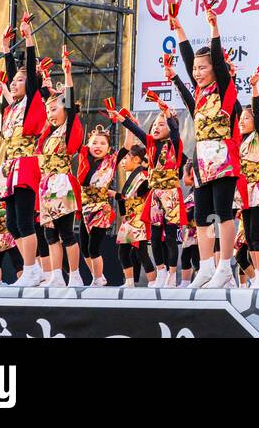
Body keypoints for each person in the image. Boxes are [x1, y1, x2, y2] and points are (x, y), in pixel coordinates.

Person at [170, 5, 241, 289]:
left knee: (222, 212)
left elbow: (220, 64)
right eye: (196, 69)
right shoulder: (199, 93)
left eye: (203, 68)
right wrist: (178, 28)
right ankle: (206, 267)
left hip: (223, 156)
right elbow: (187, 58)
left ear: (215, 68)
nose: (197, 73)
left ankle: (225, 268)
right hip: (202, 158)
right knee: (201, 216)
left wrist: (214, 27)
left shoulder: (224, 88)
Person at [0, 13, 49, 287]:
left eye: (20, 82)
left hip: (26, 163)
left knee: (24, 220)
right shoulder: (13, 107)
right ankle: (30, 268)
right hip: (11, 167)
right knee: (11, 224)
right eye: (13, 83)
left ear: (30, 85)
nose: (14, 83)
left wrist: (27, 37)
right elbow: (12, 75)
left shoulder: (32, 101)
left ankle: (33, 269)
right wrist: (5, 51)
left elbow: (30, 70)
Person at [116, 94, 185, 289]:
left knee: (170, 237)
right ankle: (161, 271)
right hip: (156, 196)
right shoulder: (151, 145)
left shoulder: (175, 144)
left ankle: (172, 275)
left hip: (170, 194)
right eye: (155, 124)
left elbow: (175, 131)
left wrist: (168, 115)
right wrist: (124, 120)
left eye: (161, 124)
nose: (156, 127)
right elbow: (138, 131)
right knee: (154, 237)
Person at [37, 49, 84, 287]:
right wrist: (43, 78)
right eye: (48, 111)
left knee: (66, 232)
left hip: (61, 183)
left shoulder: (68, 127)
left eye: (54, 109)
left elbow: (68, 98)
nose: (50, 114)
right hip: (46, 186)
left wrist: (67, 73)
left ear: (65, 109)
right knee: (49, 234)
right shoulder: (48, 135)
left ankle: (74, 275)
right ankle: (56, 275)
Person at [229, 66, 259, 288]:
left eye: (246, 118)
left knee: (255, 234)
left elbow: (256, 111)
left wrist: (254, 87)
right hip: (243, 192)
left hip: (257, 189)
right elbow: (234, 107)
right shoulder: (240, 141)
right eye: (241, 119)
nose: (242, 121)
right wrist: (232, 79)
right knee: (248, 236)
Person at [78, 124, 120, 287]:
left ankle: (97, 280)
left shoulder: (111, 160)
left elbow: (127, 147)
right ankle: (98, 277)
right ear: (88, 145)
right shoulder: (83, 157)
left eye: (103, 143)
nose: (98, 146)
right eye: (94, 142)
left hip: (101, 209)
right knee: (85, 249)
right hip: (85, 208)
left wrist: (125, 121)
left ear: (109, 148)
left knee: (93, 248)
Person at [114, 145, 155, 287]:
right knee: (125, 252)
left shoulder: (144, 176)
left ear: (136, 159)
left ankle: (153, 282)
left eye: (126, 158)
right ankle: (130, 282)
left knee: (141, 252)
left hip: (139, 218)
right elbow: (126, 197)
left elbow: (140, 193)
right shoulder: (135, 175)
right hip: (131, 218)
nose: (123, 162)